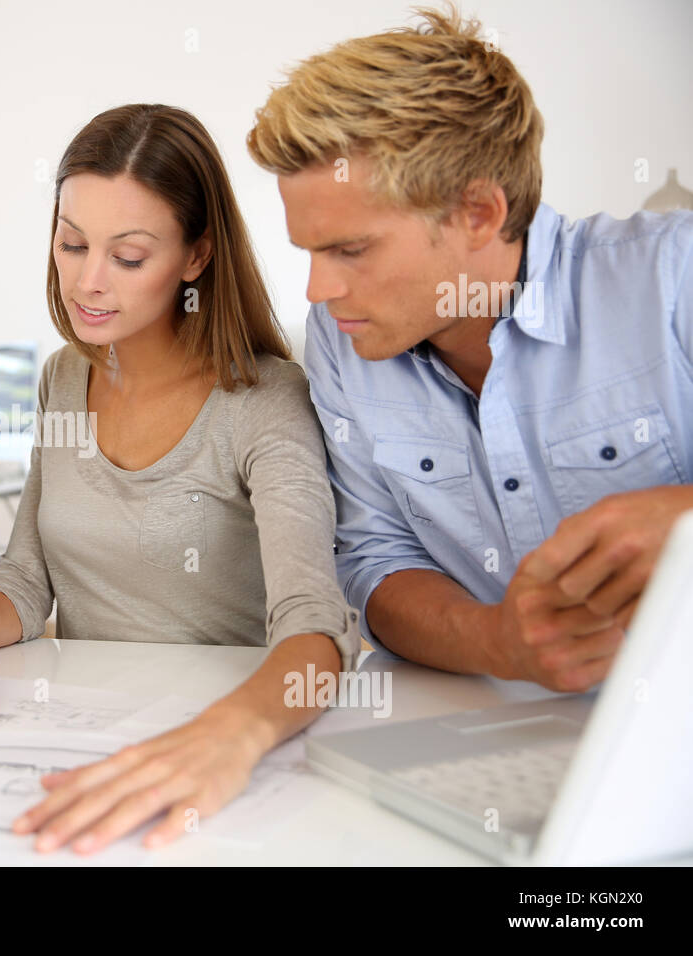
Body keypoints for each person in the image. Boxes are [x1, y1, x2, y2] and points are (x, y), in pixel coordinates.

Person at [0, 104, 362, 854]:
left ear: (195, 256)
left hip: (218, 740)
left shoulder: (264, 402)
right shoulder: (61, 378)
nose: (88, 282)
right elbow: (25, 579)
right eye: (72, 243)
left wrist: (226, 737)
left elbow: (317, 629)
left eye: (128, 257)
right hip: (79, 732)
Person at [246, 6, 693, 692]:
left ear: (478, 213)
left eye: (351, 250)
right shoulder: (341, 341)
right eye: (308, 251)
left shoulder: (671, 276)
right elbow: (374, 559)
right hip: (502, 729)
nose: (319, 289)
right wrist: (496, 642)